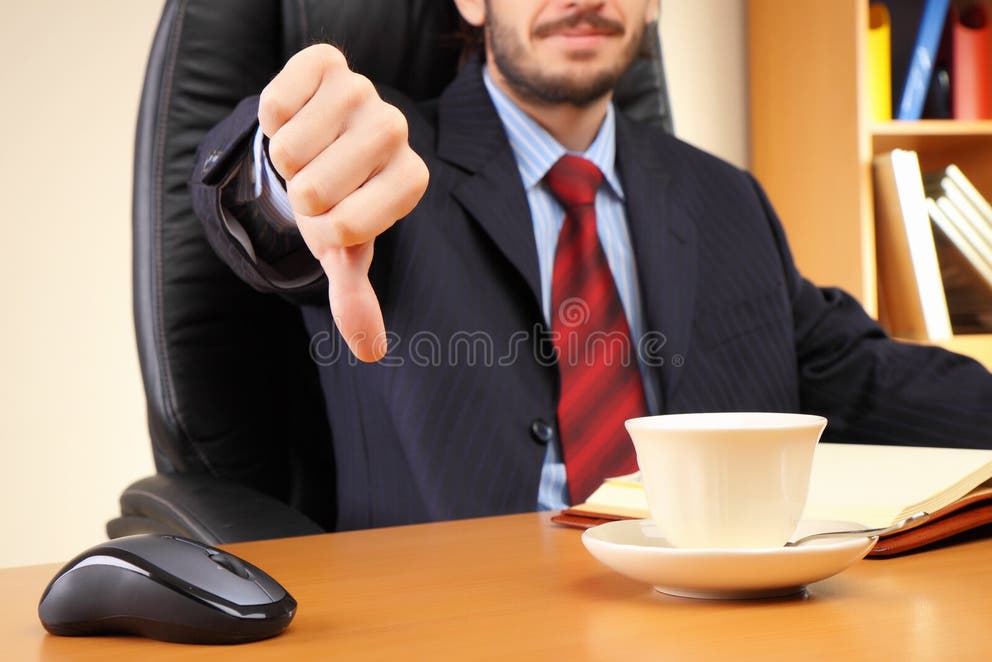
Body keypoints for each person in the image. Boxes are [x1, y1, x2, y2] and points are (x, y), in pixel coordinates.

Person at [191, 0, 992, 531]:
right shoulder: (391, 171)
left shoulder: (726, 198)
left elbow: (864, 377)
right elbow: (267, 217)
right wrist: (289, 167)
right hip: (461, 623)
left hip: (711, 623)